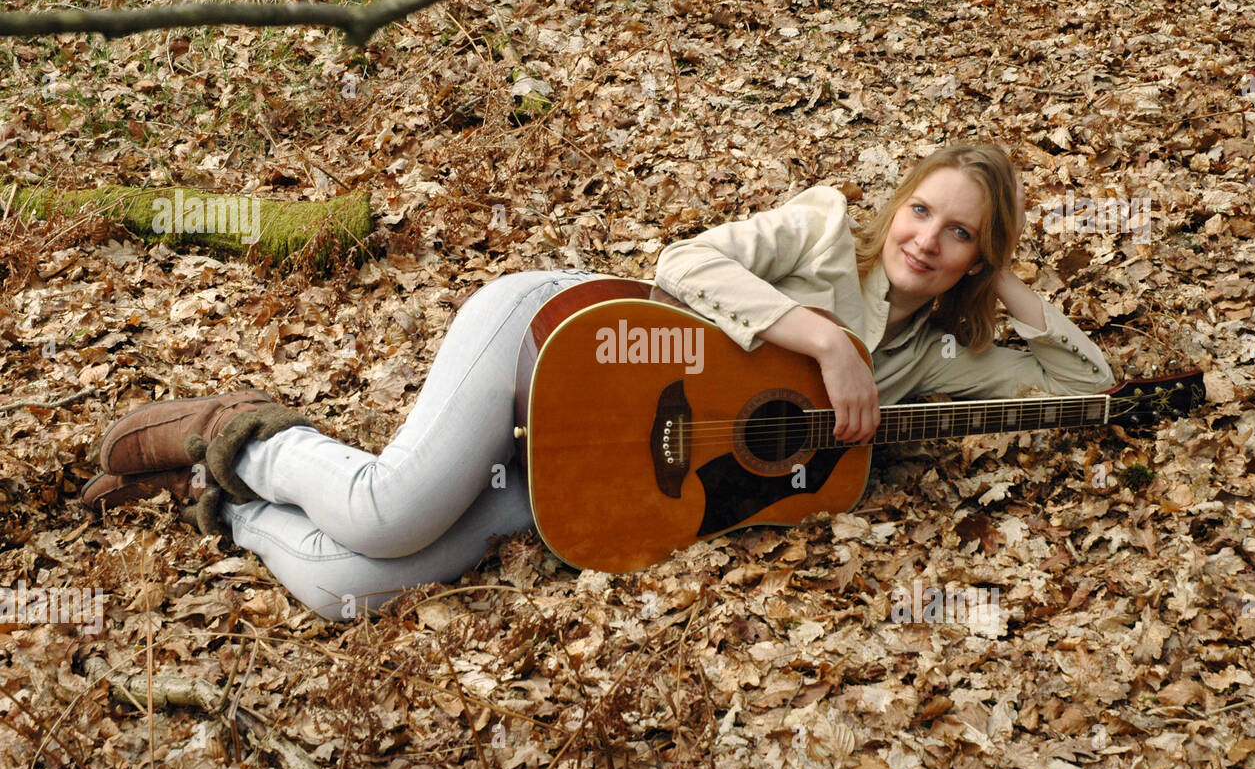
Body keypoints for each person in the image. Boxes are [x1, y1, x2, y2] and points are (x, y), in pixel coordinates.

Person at [82, 143, 1113, 620]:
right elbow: (680, 264)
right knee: (388, 512)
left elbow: (1086, 381)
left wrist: (1011, 280)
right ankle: (247, 432)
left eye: (961, 233)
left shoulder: (934, 356)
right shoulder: (823, 227)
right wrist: (824, 341)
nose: (927, 239)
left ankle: (226, 495)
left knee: (355, 588)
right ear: (895, 208)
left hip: (622, 462)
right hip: (556, 338)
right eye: (922, 212)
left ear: (979, 256)